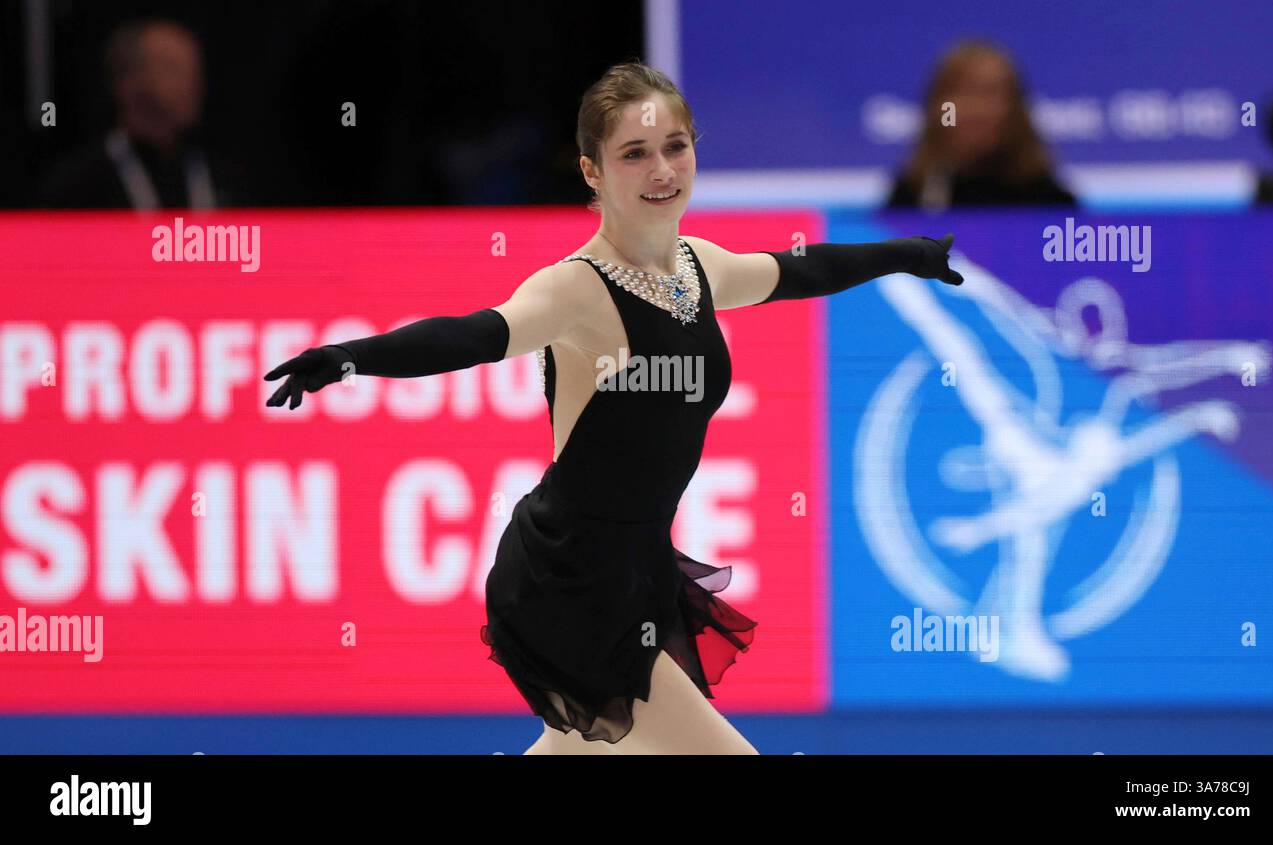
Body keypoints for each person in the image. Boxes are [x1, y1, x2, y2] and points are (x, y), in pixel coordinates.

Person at [264, 61, 962, 754]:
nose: (661, 169)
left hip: (636, 572)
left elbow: (802, 269)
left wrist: (907, 252)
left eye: (674, 147)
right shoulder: (575, 289)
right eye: (634, 153)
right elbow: (476, 333)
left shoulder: (700, 267)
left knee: (577, 749)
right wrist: (352, 356)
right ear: (592, 172)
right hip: (569, 581)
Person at [38, 18, 246, 209]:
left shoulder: (221, 180)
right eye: (172, 69)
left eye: (194, 71)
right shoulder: (79, 186)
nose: (191, 84)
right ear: (127, 83)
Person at [885, 40, 1075, 209]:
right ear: (938, 108)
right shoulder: (908, 202)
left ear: (1016, 109)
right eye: (962, 93)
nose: (975, 110)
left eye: (990, 93)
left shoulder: (1052, 207)